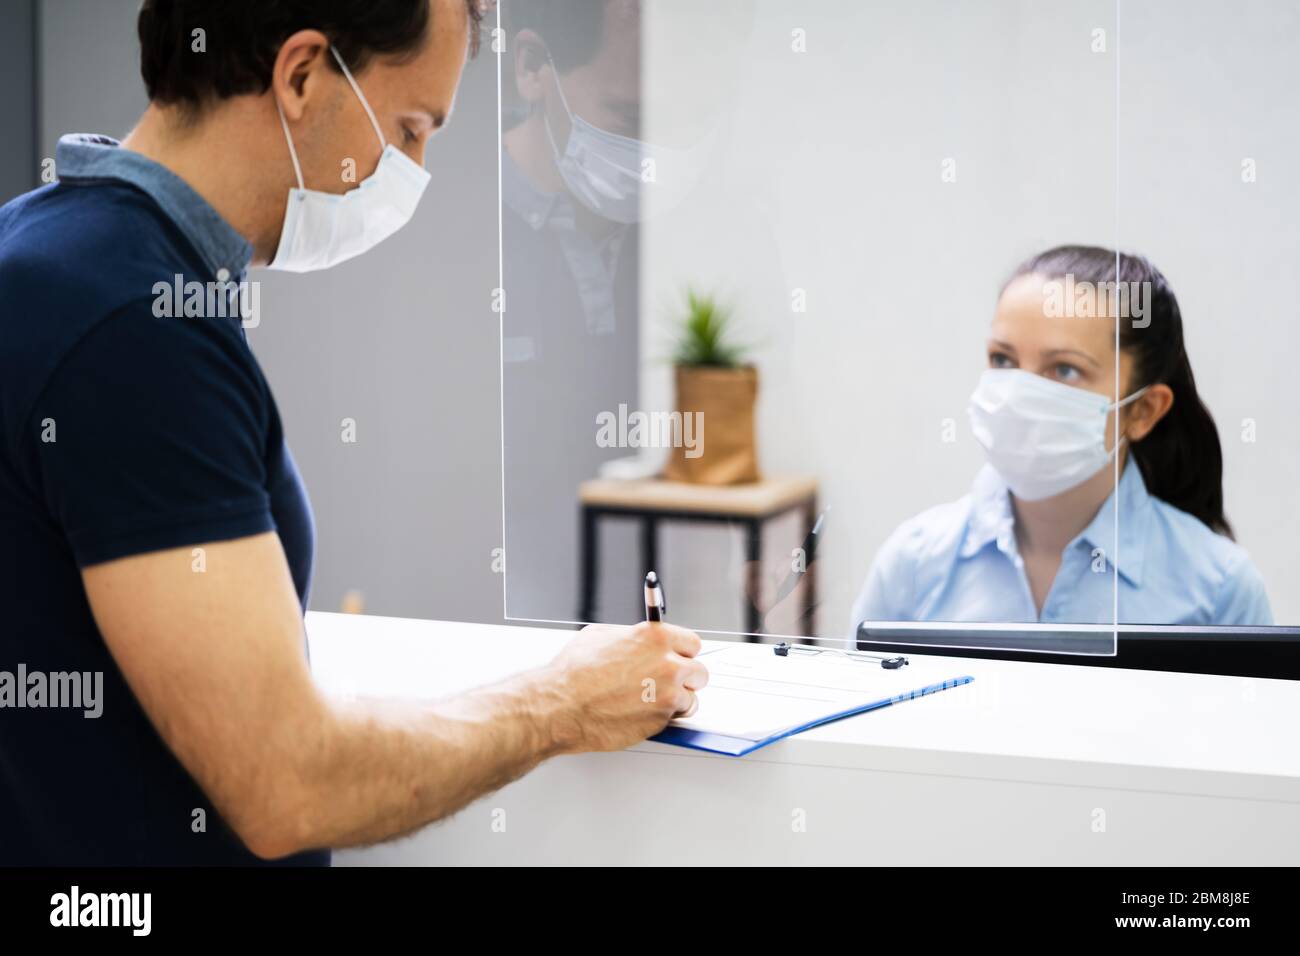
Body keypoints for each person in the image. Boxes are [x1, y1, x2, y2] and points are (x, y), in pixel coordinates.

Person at [0, 0, 707, 866]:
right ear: (300, 75)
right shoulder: (135, 328)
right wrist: (563, 701)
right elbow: (288, 784)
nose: (410, 169)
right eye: (409, 130)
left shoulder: (47, 247)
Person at [851, 244, 1272, 629]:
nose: (1017, 394)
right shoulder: (912, 564)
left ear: (1142, 411)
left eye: (1064, 369)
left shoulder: (1220, 592)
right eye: (1002, 359)